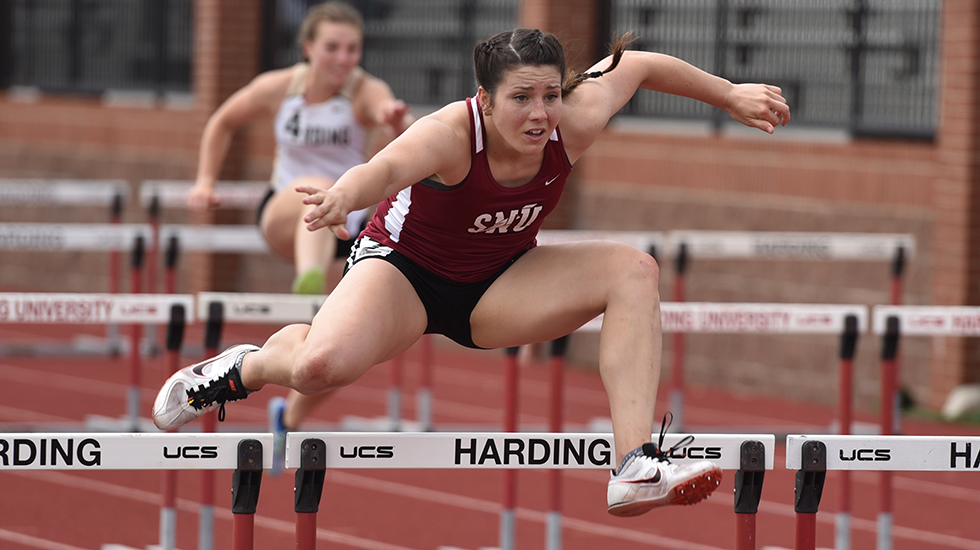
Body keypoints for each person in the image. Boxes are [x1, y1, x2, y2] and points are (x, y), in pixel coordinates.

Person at [154, 28, 789, 516]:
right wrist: (344, 196)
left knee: (633, 271)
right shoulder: (452, 135)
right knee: (320, 367)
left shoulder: (577, 118)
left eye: (548, 96)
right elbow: (381, 169)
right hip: (404, 272)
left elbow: (640, 64)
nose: (540, 115)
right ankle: (241, 367)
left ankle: (634, 463)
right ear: (485, 100)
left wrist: (729, 94)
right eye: (520, 99)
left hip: (499, 283)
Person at [188, 1, 412, 295]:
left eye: (352, 49)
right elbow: (223, 121)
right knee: (318, 188)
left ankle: (314, 285)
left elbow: (402, 124)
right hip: (283, 211)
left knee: (335, 325)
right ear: (308, 48)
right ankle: (309, 279)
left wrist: (396, 122)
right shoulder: (279, 87)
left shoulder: (365, 91)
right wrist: (206, 181)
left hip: (345, 224)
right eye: (332, 48)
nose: (343, 59)